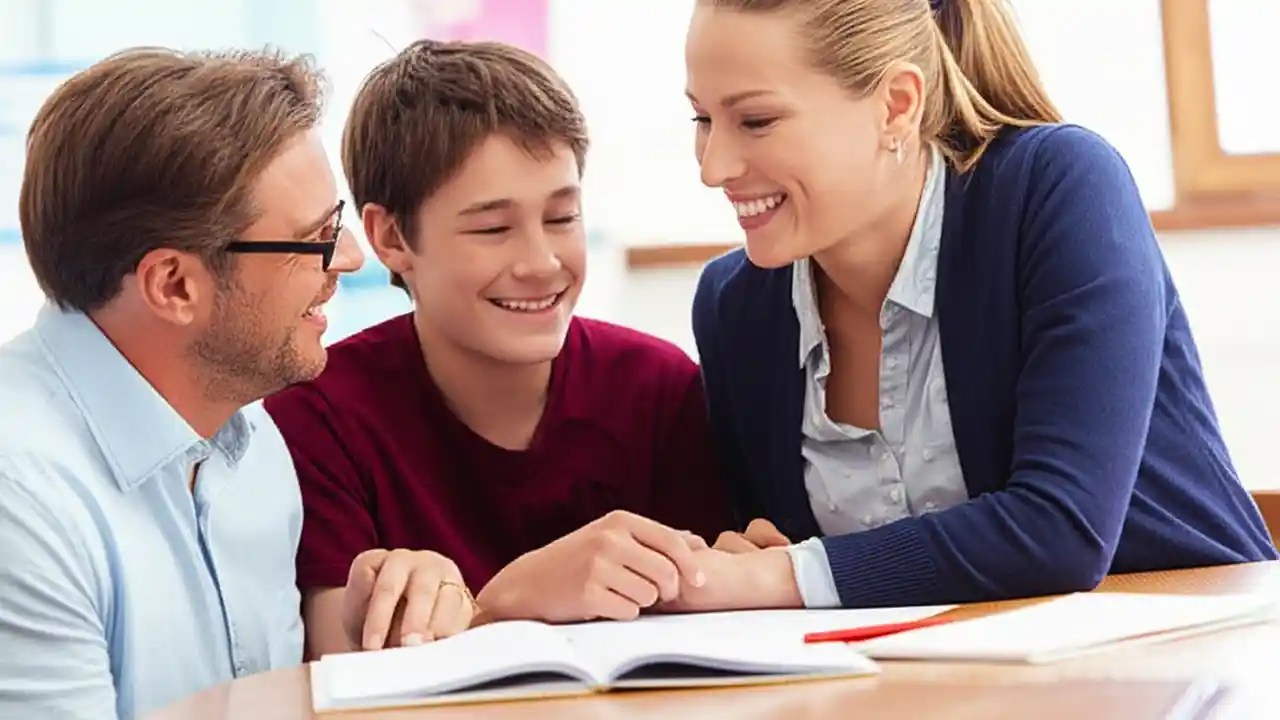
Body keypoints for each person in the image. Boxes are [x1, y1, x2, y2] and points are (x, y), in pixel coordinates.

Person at [667, 0, 1278, 612]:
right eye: (702, 119)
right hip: (931, 669)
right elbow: (788, 558)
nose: (713, 168)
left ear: (896, 106)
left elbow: (1060, 530)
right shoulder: (733, 307)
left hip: (1192, 651)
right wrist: (750, 560)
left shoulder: (1058, 188)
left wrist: (779, 576)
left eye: (756, 121)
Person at [0, 48, 474, 720]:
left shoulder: (249, 441)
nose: (350, 257)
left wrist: (370, 645)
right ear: (174, 285)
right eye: (317, 237)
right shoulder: (21, 503)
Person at [263, 39, 734, 657]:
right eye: (492, 228)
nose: (541, 263)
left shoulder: (659, 390)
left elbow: (719, 608)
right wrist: (506, 601)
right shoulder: (317, 417)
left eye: (562, 218)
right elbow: (334, 653)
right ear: (392, 237)